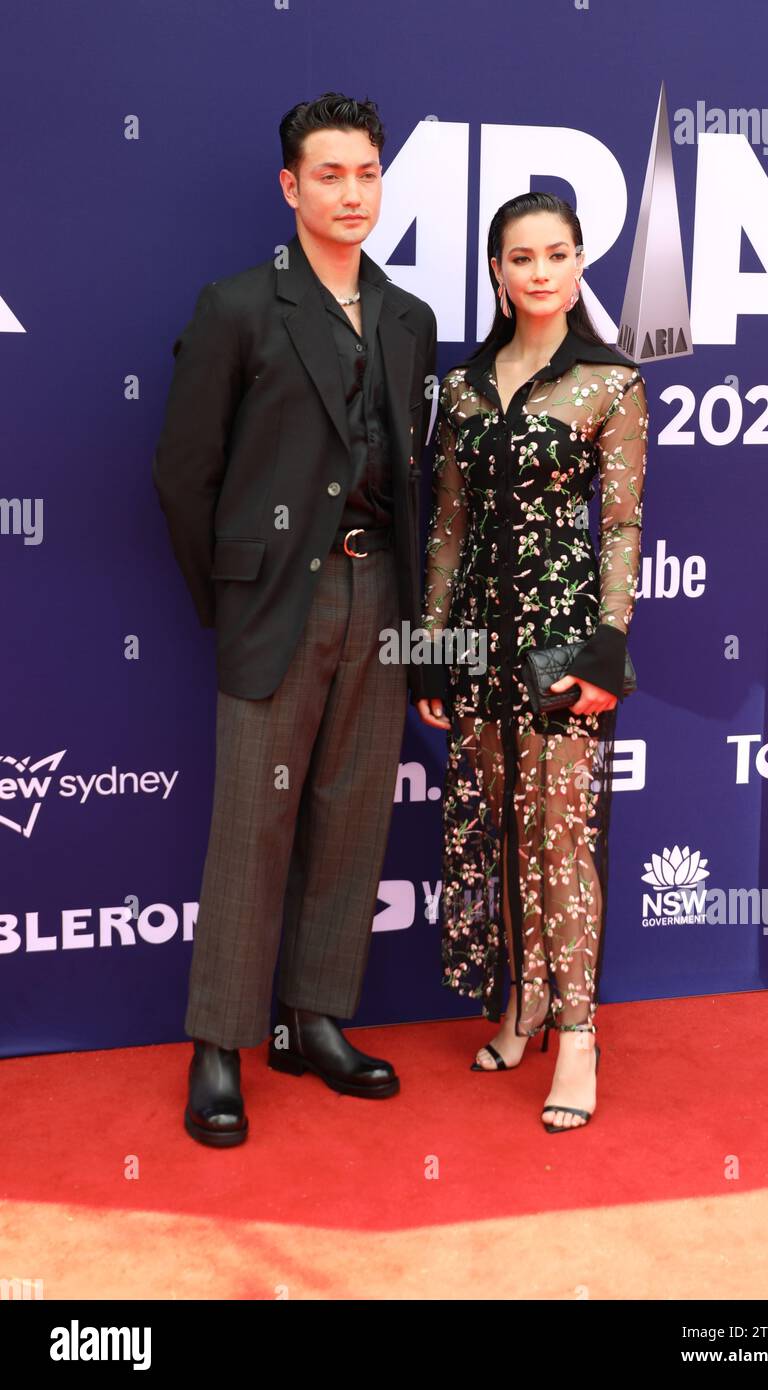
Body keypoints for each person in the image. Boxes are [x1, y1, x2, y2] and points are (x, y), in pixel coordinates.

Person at [152, 92, 437, 1147]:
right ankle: (220, 1045)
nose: (351, 193)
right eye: (330, 175)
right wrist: (234, 594)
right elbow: (185, 476)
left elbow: (409, 484)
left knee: (353, 813)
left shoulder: (408, 319)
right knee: (251, 830)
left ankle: (312, 1020)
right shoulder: (237, 306)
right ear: (290, 187)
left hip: (380, 598)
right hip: (278, 600)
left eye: (366, 173)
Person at [415, 192, 648, 1133]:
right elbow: (447, 530)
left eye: (557, 254)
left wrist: (606, 654)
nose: (541, 271)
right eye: (522, 257)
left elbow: (623, 529)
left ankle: (580, 1033)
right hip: (478, 639)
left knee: (561, 837)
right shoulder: (464, 387)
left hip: (562, 644)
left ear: (581, 263)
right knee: (494, 824)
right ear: (498, 272)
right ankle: (522, 1004)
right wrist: (433, 653)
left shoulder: (610, 382)